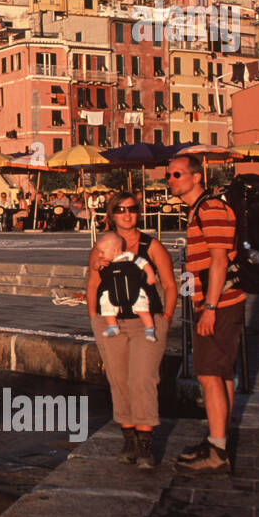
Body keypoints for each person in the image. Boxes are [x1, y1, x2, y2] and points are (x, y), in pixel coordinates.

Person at [86, 193, 178, 469]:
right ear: (112, 215)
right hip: (111, 322)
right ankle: (129, 439)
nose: (127, 214)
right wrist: (94, 318)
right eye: (121, 210)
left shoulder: (151, 245)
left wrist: (167, 316)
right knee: (118, 379)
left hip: (146, 323)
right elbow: (92, 283)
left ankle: (146, 442)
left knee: (143, 379)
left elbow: (170, 284)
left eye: (133, 209)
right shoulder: (102, 245)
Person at [171, 154, 246, 474]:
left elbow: (219, 260)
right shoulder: (199, 209)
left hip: (220, 303)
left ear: (196, 177)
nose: (170, 180)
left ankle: (217, 450)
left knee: (207, 374)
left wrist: (209, 309)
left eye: (177, 174)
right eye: (169, 175)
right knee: (222, 373)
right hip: (224, 300)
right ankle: (220, 440)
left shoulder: (210, 209)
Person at [91, 232, 159, 342]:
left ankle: (149, 329)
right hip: (114, 290)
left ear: (114, 251)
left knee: (142, 308)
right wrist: (97, 264)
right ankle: (113, 326)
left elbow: (144, 263)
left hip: (133, 289)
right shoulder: (106, 262)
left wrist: (150, 275)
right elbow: (95, 267)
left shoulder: (129, 256)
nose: (99, 255)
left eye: (102, 252)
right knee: (106, 304)